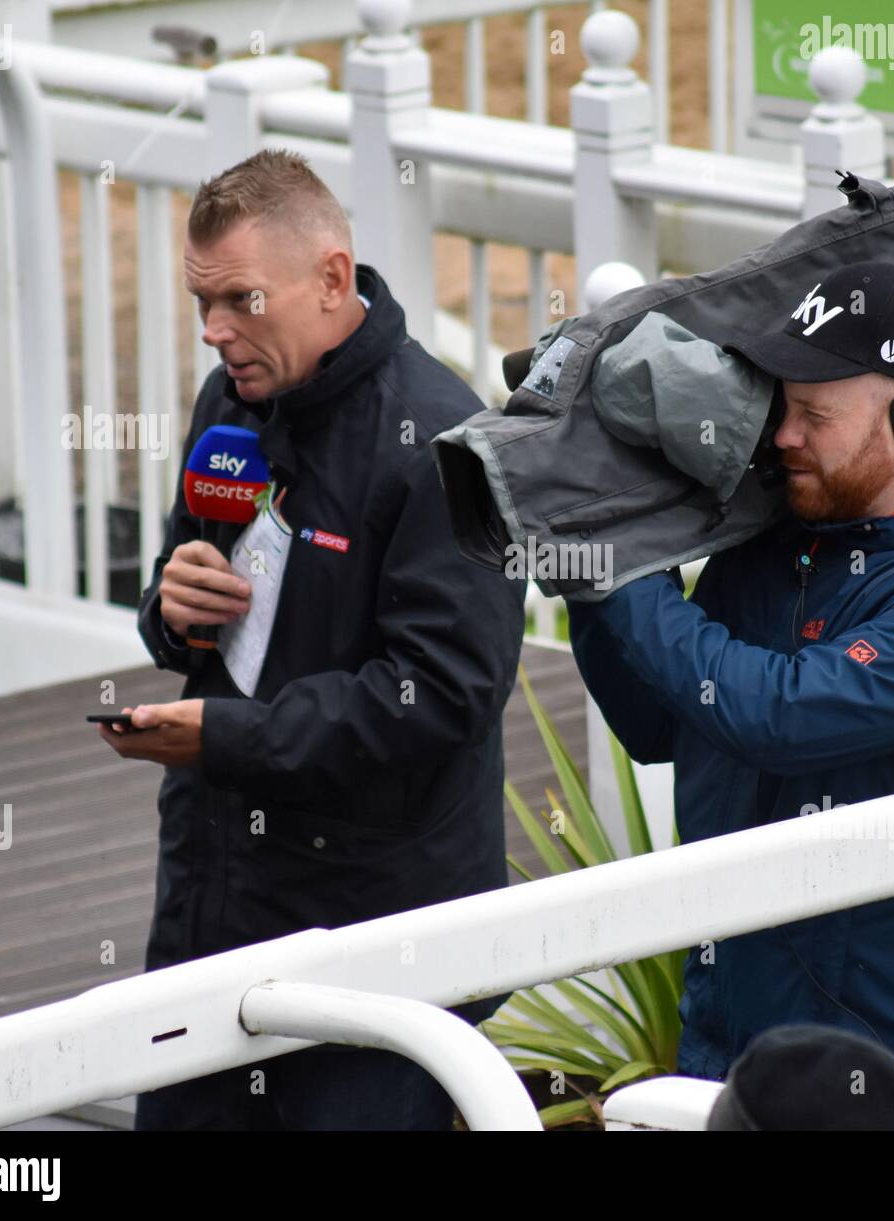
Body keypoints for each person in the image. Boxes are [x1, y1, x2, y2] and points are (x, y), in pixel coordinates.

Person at [98, 149, 526, 1129]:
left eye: (241, 299)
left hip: (373, 941)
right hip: (212, 914)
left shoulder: (444, 442)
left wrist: (225, 737)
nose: (215, 332)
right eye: (203, 302)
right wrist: (172, 607)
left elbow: (444, 695)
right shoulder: (231, 402)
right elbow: (186, 617)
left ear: (332, 278)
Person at [567, 261, 894, 1081]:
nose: (784, 436)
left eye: (814, 414)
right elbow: (658, 728)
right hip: (726, 1023)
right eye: (783, 407)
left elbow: (776, 716)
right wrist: (590, 562)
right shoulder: (781, 533)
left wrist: (618, 567)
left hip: (887, 1051)